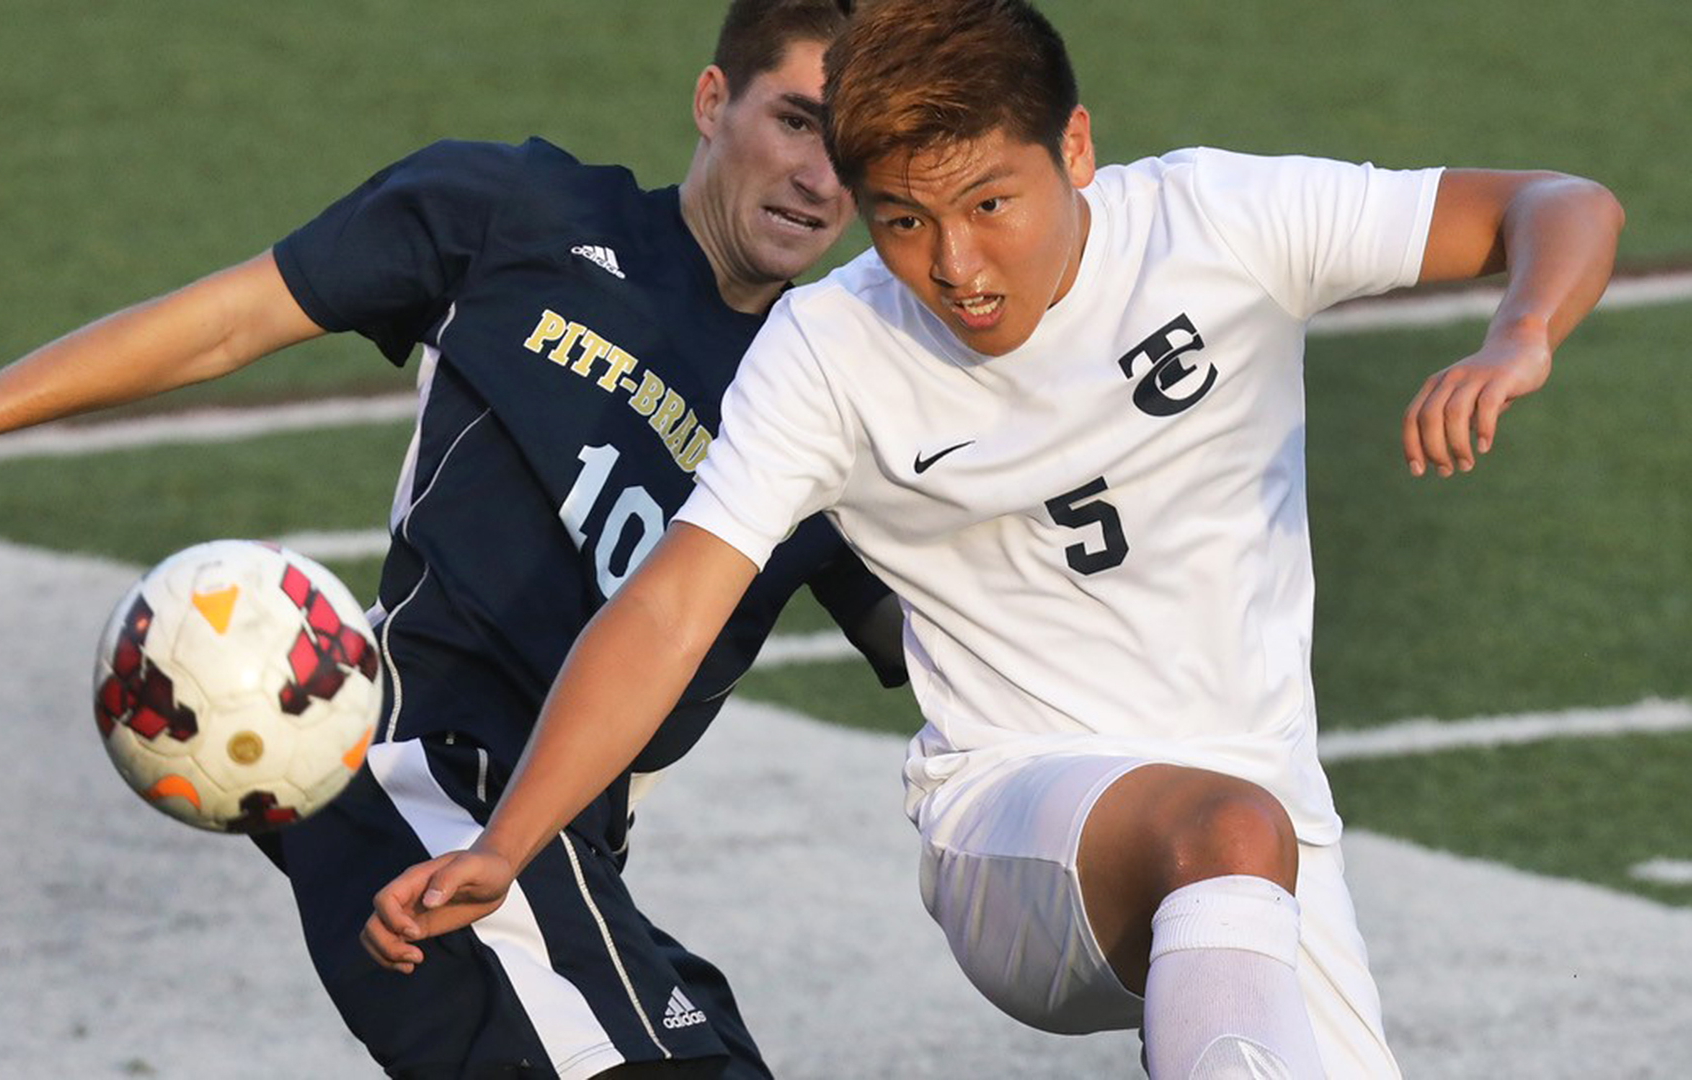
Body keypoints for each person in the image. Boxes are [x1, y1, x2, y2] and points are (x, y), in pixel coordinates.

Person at [361, 0, 1626, 1077]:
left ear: (1075, 146)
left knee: (1247, 843)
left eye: (988, 202)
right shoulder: (831, 348)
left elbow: (1557, 204)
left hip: (1272, 825)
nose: (956, 265)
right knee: (1229, 826)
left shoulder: (1219, 222)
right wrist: (505, 844)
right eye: (903, 220)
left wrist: (1520, 337)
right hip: (1013, 823)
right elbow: (668, 605)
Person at [0, 2, 909, 1077]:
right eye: (795, 121)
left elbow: (947, 635)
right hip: (411, 776)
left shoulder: (839, 401)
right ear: (712, 101)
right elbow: (224, 325)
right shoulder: (518, 214)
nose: (820, 179)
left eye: (851, 148)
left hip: (558, 855)